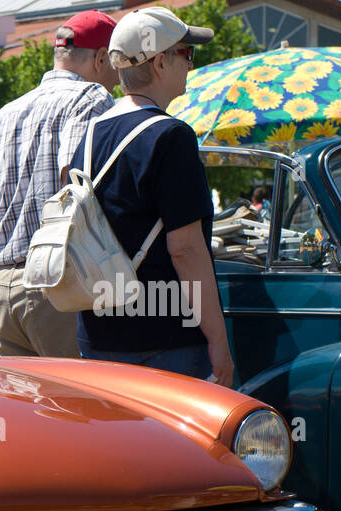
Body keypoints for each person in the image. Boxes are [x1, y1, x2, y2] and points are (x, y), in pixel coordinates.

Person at [71, 7, 234, 387]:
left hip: (99, 333)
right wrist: (218, 339)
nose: (190, 66)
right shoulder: (172, 136)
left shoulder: (90, 132)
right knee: (182, 448)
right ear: (160, 62)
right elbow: (186, 250)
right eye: (186, 54)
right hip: (165, 338)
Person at [0, 10, 119, 358]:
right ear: (100, 58)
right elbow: (78, 185)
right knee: (76, 408)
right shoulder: (91, 99)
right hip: (57, 286)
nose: (119, 78)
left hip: (3, 288)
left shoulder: (3, 115)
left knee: (25, 408)